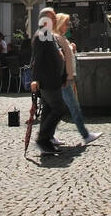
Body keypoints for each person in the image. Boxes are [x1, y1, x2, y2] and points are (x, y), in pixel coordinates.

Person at [52, 13, 100, 145]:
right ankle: (85, 135)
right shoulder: (57, 38)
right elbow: (60, 59)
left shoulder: (61, 38)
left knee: (58, 108)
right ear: (60, 23)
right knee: (73, 107)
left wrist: (71, 49)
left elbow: (67, 57)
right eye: (66, 23)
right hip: (64, 79)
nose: (68, 26)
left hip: (66, 78)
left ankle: (50, 135)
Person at [29, 10, 68, 156]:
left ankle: (47, 139)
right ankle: (42, 139)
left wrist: (63, 77)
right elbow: (37, 59)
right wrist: (35, 79)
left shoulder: (48, 35)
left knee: (48, 109)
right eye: (53, 17)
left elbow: (57, 56)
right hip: (47, 80)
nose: (55, 19)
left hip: (53, 79)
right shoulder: (42, 34)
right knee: (59, 108)